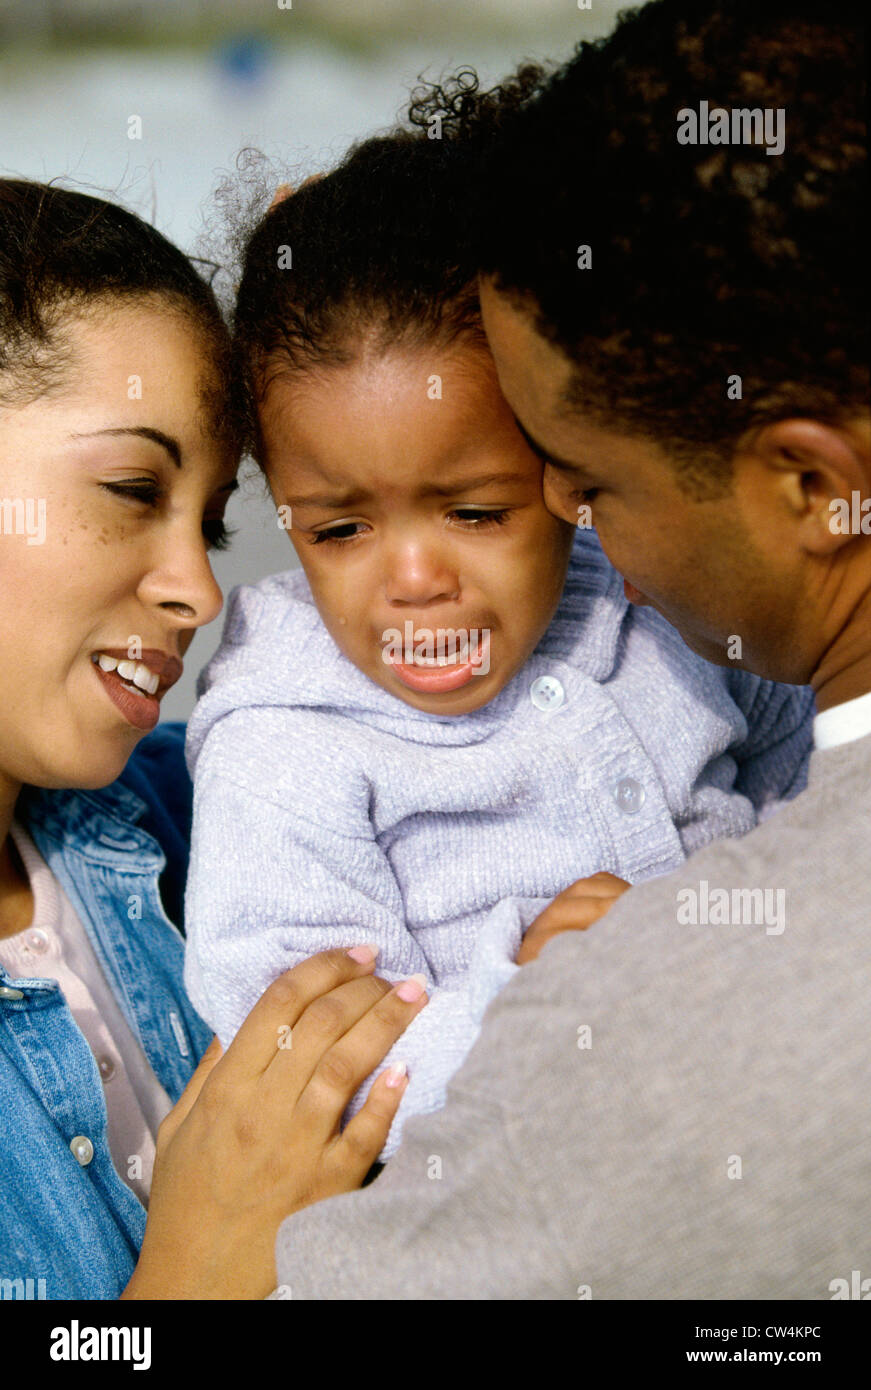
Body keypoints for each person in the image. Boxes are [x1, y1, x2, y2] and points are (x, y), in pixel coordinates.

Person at [270, 0, 870, 1298]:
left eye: (586, 483)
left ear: (815, 492)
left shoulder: (641, 1064)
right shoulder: (290, 744)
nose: (558, 520)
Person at [183, 131, 812, 1163]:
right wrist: (530, 1000)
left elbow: (813, 799)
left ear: (565, 464)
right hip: (501, 1200)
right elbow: (303, 1075)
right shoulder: (283, 746)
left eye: (476, 512)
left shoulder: (668, 609)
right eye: (339, 529)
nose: (416, 578)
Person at [0, 180, 425, 1301]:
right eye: (133, 488)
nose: (198, 590)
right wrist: (197, 1274)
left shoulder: (230, 810)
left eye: (213, 521)